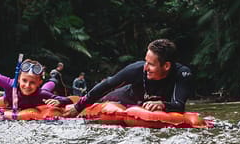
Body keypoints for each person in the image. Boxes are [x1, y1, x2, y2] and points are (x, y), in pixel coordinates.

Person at [64, 39, 193, 116]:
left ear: (166, 66)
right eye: (145, 62)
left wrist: (162, 105)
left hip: (151, 104)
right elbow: (107, 84)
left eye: (151, 64)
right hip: (125, 96)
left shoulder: (182, 74)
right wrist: (77, 108)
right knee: (104, 99)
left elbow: (179, 105)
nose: (145, 67)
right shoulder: (136, 70)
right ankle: (69, 101)